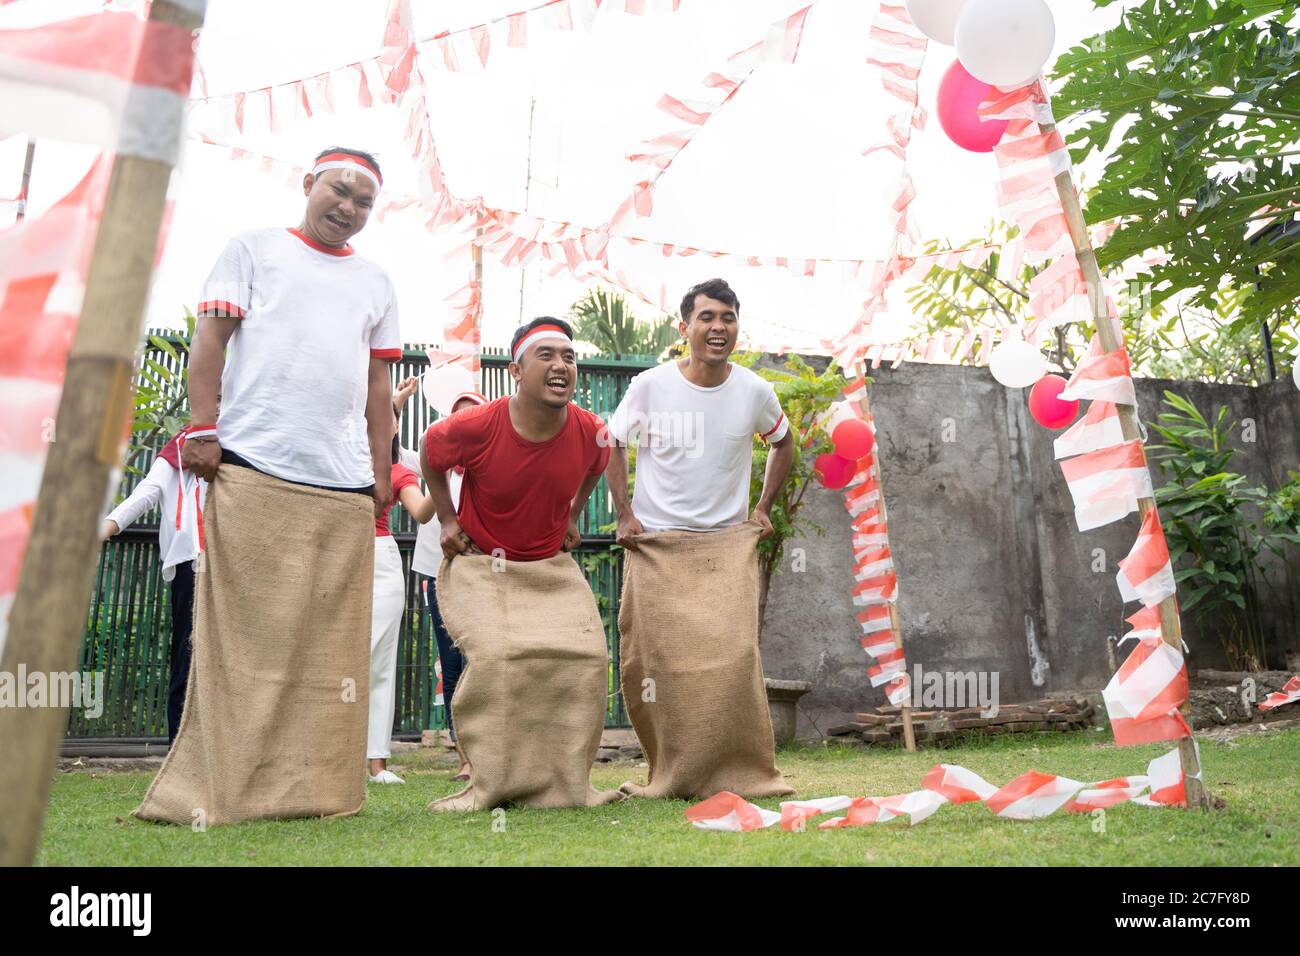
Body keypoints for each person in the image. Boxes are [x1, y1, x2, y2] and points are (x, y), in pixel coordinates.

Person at [133, 147, 402, 826]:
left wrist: (378, 470)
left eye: (364, 203)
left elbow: (378, 388)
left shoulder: (376, 282)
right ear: (308, 183)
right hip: (250, 464)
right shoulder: (250, 249)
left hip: (340, 486)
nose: (348, 208)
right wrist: (201, 428)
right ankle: (226, 782)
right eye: (338, 192)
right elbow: (211, 339)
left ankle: (312, 790)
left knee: (327, 647)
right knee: (242, 639)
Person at [417, 317, 621, 811]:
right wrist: (447, 519)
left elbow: (599, 463)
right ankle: (488, 780)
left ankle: (564, 784)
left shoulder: (590, 432)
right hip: (484, 563)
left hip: (549, 566)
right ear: (515, 370)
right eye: (546, 356)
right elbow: (429, 451)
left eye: (568, 357)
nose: (561, 366)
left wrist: (573, 515)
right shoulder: (476, 426)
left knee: (589, 659)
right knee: (499, 661)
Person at [606, 277, 796, 799]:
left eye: (728, 317)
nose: (718, 327)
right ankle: (669, 774)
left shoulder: (755, 391)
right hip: (660, 546)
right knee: (657, 665)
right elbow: (613, 442)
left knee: (735, 657)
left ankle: (739, 771)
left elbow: (784, 443)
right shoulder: (651, 385)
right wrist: (624, 514)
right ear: (684, 326)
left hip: (723, 551)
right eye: (707, 317)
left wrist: (762, 508)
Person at [394, 378, 486, 782]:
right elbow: (392, 451)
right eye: (457, 412)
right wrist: (395, 405)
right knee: (450, 662)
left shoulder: (491, 463)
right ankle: (464, 755)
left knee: (481, 660)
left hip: (484, 574)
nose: (463, 418)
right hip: (437, 574)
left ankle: (489, 751)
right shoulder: (434, 462)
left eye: (471, 411)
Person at [101, 424, 209, 745]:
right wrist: (106, 527)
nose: (218, 404)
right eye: (212, 395)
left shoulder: (244, 441)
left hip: (234, 565)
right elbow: (146, 493)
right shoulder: (178, 447)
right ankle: (179, 748)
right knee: (186, 658)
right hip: (192, 562)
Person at [367, 399, 436, 785]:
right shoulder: (340, 461)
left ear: (395, 428)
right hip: (339, 558)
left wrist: (439, 475)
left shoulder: (397, 472)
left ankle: (377, 763)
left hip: (381, 562)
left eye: (389, 418)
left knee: (379, 661)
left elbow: (423, 512)